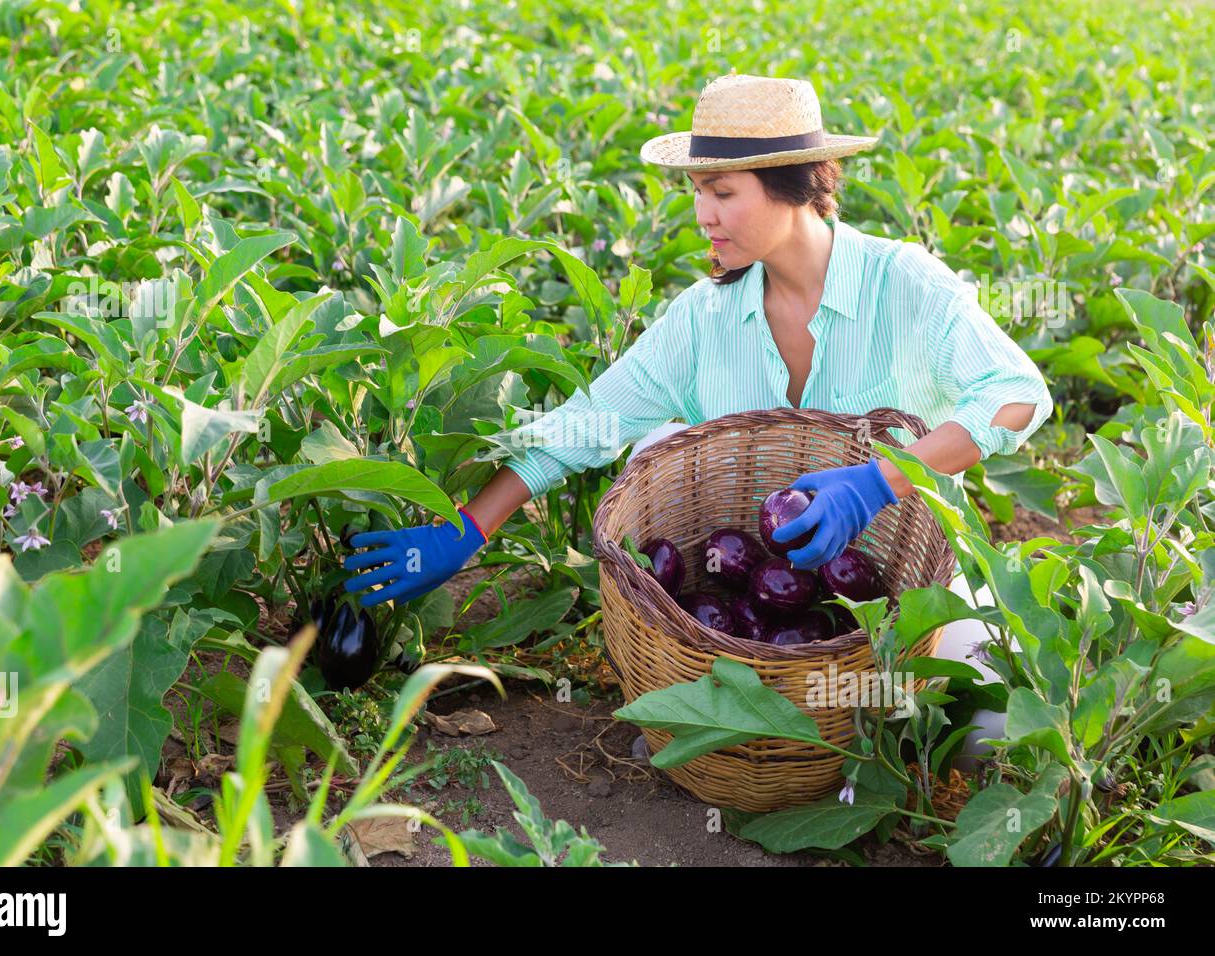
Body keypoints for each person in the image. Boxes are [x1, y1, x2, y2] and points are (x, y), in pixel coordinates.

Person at [342, 74, 1050, 765]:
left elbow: (1018, 394)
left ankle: (825, 734)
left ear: (794, 187)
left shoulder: (904, 284)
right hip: (751, 609)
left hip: (899, 578)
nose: (703, 216)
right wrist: (467, 528)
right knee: (659, 442)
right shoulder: (707, 316)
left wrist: (878, 481)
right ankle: (752, 727)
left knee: (983, 728)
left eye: (721, 194)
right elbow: (592, 420)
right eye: (697, 194)